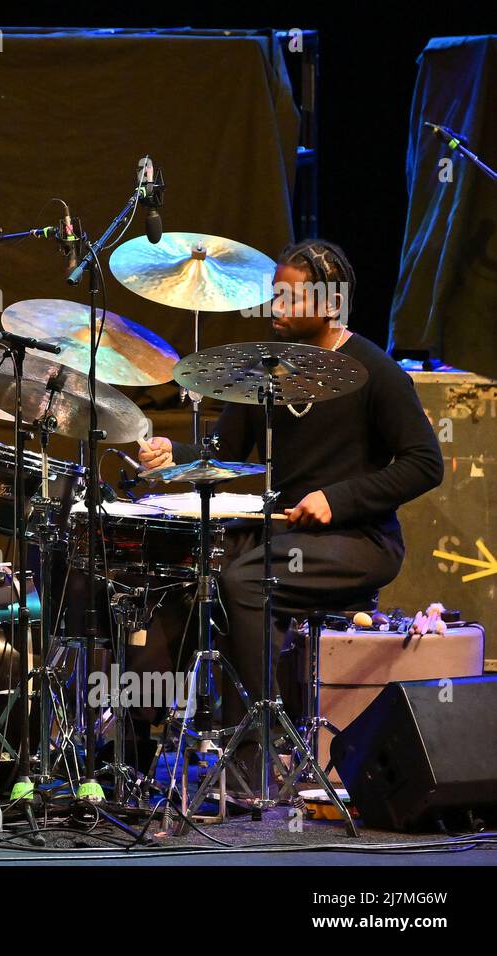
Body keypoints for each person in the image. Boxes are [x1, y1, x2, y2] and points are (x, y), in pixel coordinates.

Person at [138, 238, 443, 795]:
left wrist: (339, 498)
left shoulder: (377, 371)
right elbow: (220, 455)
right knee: (189, 574)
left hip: (358, 539)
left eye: (289, 297)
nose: (275, 307)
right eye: (273, 294)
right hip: (282, 532)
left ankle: (256, 752)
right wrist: (172, 455)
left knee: (248, 580)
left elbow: (426, 464)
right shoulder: (265, 371)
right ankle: (143, 743)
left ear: (330, 304)